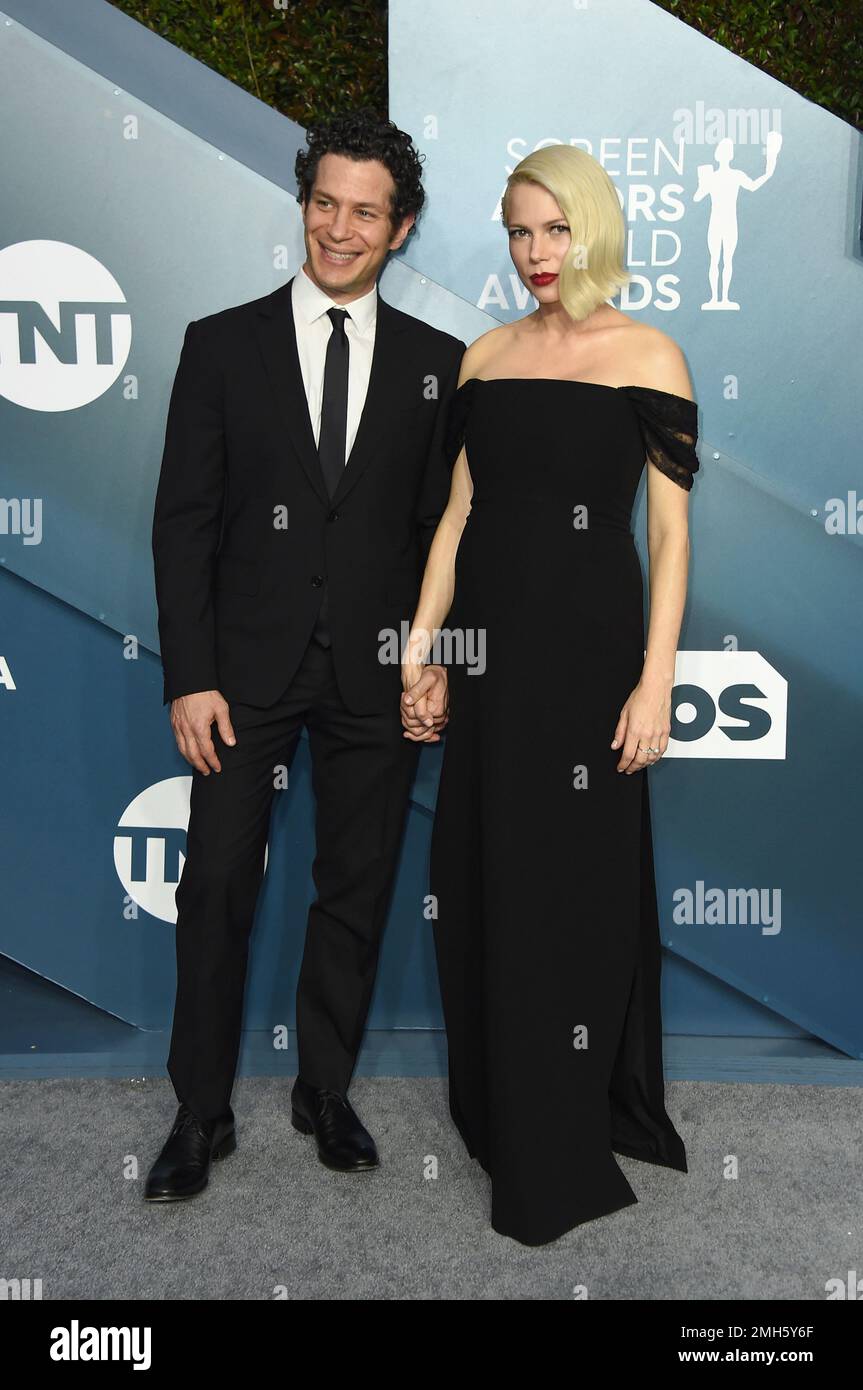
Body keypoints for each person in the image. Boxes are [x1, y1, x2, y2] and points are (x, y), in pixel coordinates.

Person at [146, 110, 462, 1201]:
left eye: (363, 211)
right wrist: (188, 673)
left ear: (400, 228)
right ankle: (199, 1110)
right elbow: (183, 520)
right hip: (238, 676)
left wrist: (438, 660)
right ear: (302, 203)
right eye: (323, 202)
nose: (338, 227)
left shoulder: (440, 367)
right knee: (218, 884)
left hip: (376, 672)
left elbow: (444, 537)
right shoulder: (218, 344)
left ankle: (324, 1090)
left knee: (357, 885)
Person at [400, 143, 696, 1246]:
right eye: (519, 231)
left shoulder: (649, 357)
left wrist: (653, 678)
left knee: (568, 884)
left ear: (592, 228)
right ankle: (501, 1103)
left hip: (589, 660)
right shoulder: (484, 357)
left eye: (554, 229)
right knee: (480, 873)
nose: (534, 253)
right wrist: (419, 650)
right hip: (489, 662)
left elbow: (666, 535)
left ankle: (564, 1118)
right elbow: (455, 519)